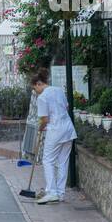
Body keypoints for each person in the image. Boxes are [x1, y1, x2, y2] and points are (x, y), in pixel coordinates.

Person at [31, 67, 77, 204]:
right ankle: (60, 193)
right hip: (68, 129)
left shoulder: (42, 97)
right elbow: (66, 107)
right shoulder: (58, 90)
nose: (35, 92)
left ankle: (52, 192)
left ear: (39, 83)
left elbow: (44, 119)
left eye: (34, 88)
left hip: (55, 130)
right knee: (63, 161)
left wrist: (40, 129)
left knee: (48, 160)